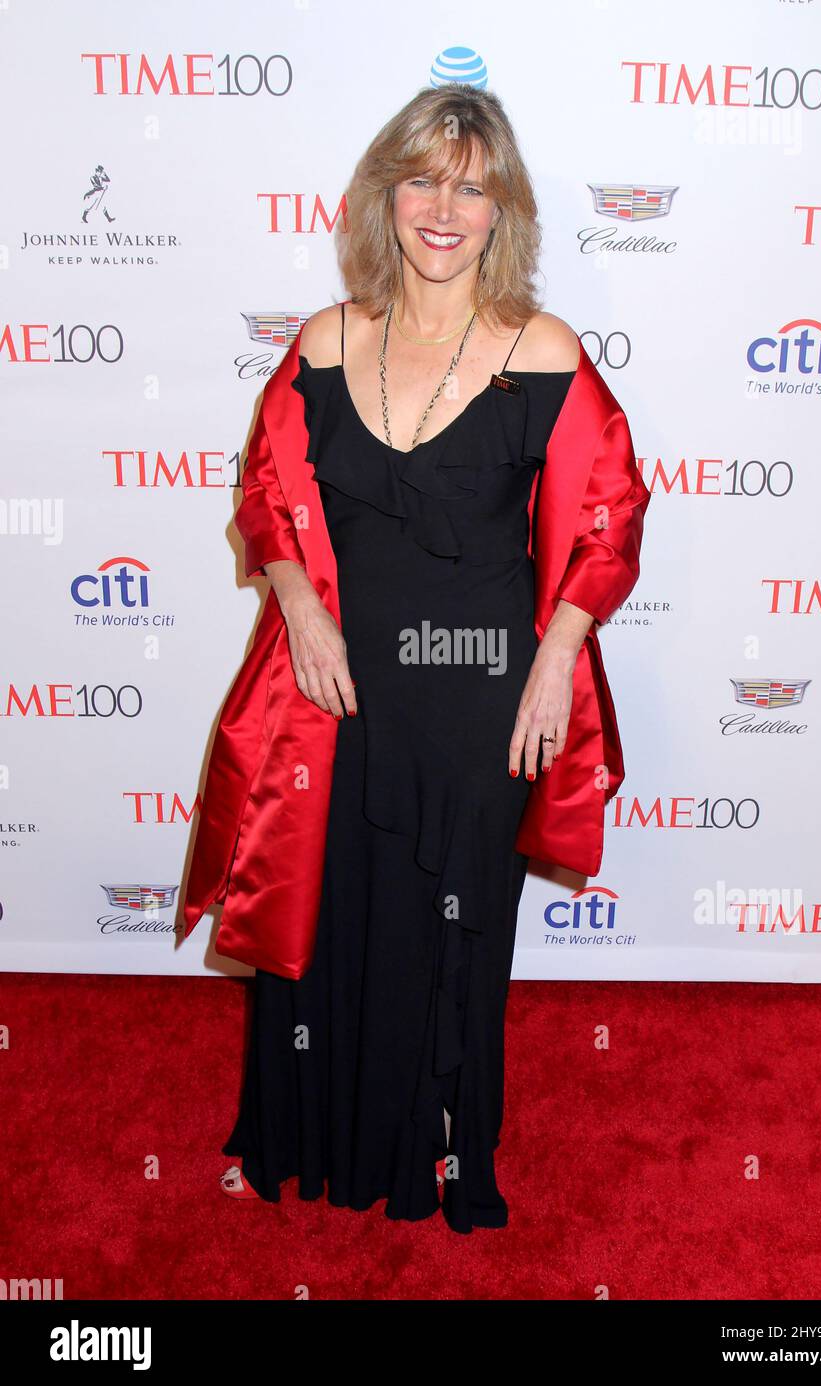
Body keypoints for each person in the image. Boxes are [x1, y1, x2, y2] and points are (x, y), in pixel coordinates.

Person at [182, 84, 650, 1235]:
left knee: (454, 920)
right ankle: (306, 1131)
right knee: (325, 907)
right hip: (339, 688)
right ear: (385, 196)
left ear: (504, 214)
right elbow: (267, 491)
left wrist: (555, 662)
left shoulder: (539, 351)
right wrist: (296, 602)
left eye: (473, 187)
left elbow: (610, 514)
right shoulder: (328, 339)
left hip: (479, 690)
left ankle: (442, 1132)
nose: (445, 207)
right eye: (424, 179)